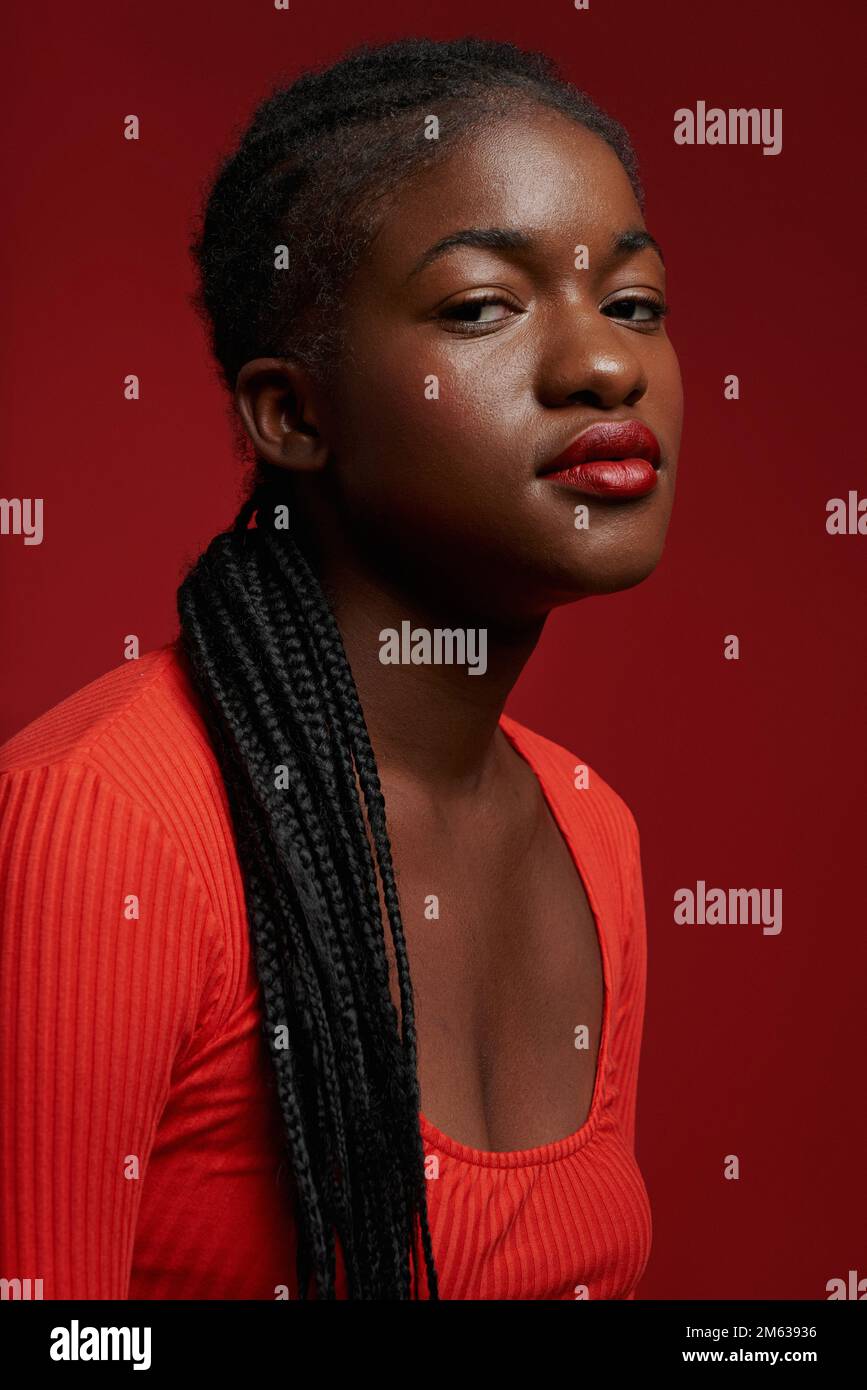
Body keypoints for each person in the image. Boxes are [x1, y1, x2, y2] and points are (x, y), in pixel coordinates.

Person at [0, 34, 682, 1300]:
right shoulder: (105, 827)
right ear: (294, 414)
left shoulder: (596, 837)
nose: (605, 365)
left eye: (635, 304)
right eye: (483, 306)